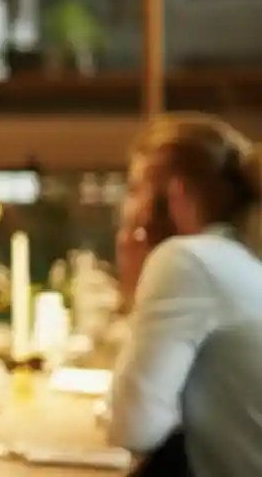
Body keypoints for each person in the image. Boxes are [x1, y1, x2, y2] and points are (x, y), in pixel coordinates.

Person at [108, 113, 262, 476]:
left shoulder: (188, 260)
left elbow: (133, 429)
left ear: (174, 193)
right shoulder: (237, 257)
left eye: (133, 189)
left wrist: (134, 290)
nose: (124, 209)